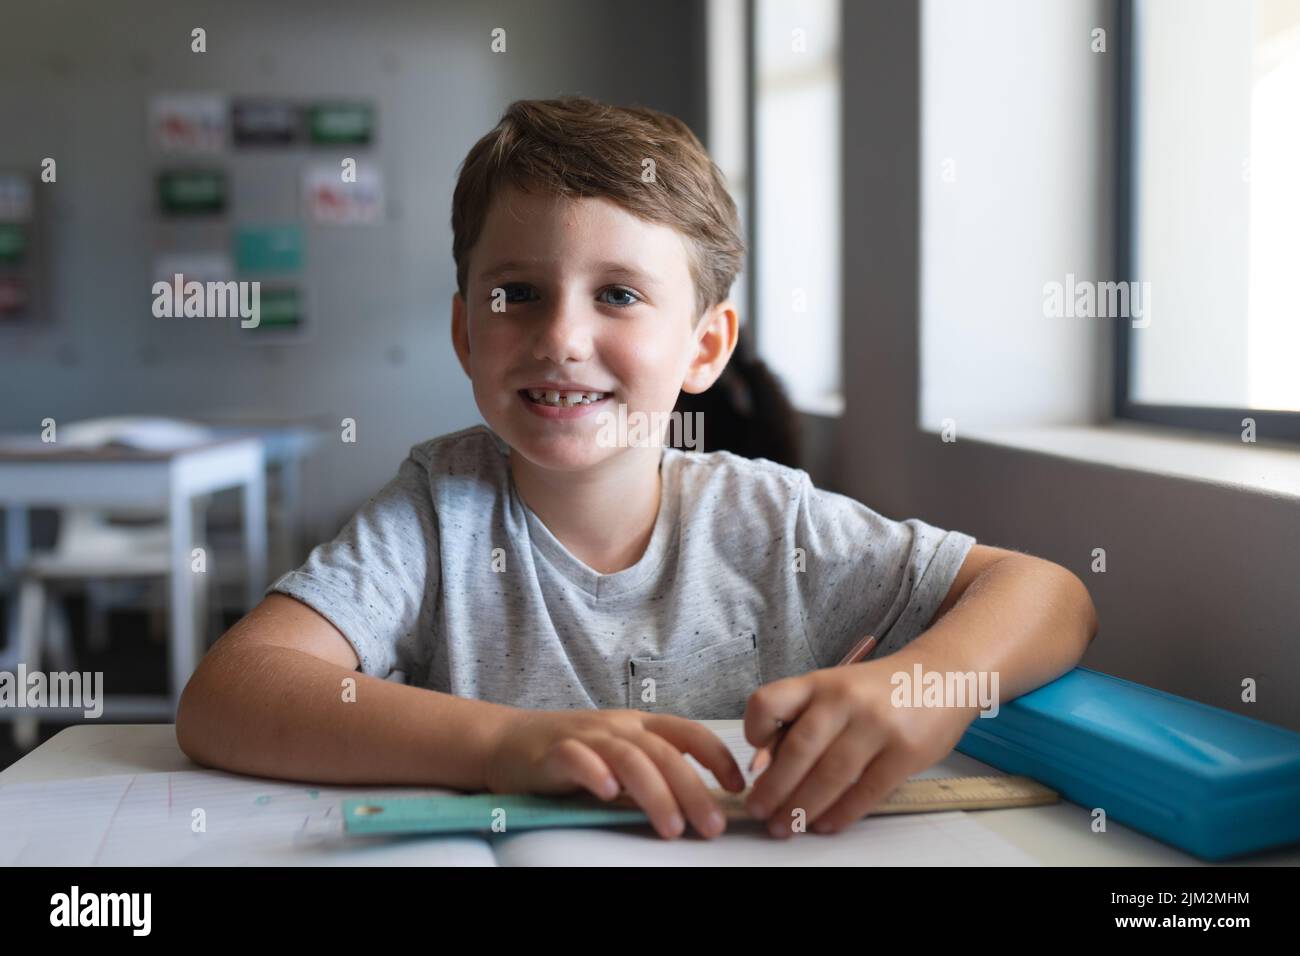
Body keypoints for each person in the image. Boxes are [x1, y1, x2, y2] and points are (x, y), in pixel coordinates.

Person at [177, 96, 1097, 842]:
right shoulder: (436, 510)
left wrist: (920, 685)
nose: (562, 339)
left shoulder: (767, 520)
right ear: (466, 331)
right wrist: (506, 743)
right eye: (518, 295)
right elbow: (230, 695)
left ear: (705, 347)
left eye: (618, 294)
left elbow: (1049, 595)